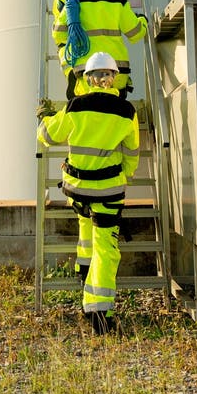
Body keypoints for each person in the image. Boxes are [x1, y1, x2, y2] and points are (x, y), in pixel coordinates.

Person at [37, 52, 140, 334]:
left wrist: (46, 117)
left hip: (77, 190)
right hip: (109, 191)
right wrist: (125, 176)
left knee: (86, 224)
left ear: (87, 79)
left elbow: (46, 137)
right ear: (114, 79)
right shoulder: (127, 112)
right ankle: (98, 311)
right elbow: (132, 153)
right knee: (106, 248)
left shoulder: (75, 106)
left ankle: (84, 272)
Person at [53, 0, 148, 98]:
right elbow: (135, 34)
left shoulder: (75, 3)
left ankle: (72, 81)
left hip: (87, 76)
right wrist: (143, 21)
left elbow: (58, 33)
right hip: (117, 76)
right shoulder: (119, 2)